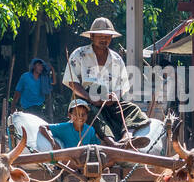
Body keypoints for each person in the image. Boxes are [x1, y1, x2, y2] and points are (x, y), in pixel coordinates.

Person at [62, 16, 148, 144]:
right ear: (91, 36)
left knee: (133, 109)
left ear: (111, 38)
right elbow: (72, 82)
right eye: (100, 36)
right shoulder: (79, 54)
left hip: (109, 101)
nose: (104, 39)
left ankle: (127, 137)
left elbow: (122, 86)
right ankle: (112, 143)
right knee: (91, 113)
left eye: (107, 36)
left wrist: (114, 97)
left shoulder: (116, 59)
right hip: (85, 99)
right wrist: (89, 97)